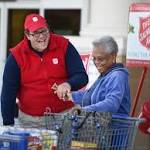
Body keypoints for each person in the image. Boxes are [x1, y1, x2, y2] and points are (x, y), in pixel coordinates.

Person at [1, 13, 88, 126]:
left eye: (44, 31)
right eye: (36, 33)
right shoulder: (16, 55)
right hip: (31, 121)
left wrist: (68, 84)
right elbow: (8, 94)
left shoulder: (63, 45)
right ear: (28, 35)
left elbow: (81, 76)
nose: (42, 36)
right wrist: (8, 126)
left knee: (69, 144)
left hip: (66, 115)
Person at [71, 36, 131, 117]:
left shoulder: (117, 76)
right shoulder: (105, 75)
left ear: (113, 56)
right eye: (94, 59)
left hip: (115, 127)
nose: (96, 62)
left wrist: (83, 110)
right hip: (102, 126)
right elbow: (88, 97)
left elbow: (111, 104)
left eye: (100, 59)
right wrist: (69, 95)